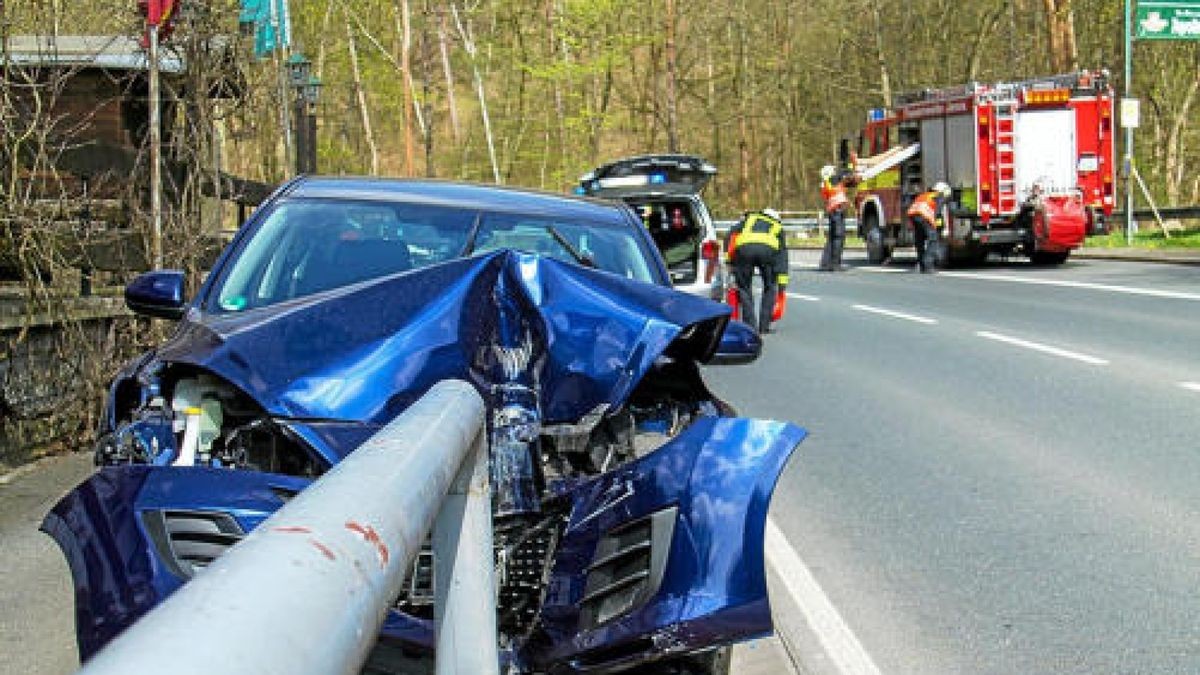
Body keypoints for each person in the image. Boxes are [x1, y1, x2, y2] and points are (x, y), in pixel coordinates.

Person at [726, 208, 788, 334]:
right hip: (767, 252)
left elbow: (731, 235)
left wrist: (730, 260)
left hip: (744, 250)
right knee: (770, 287)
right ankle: (764, 326)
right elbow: (782, 257)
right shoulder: (778, 227)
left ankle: (750, 326)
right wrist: (782, 285)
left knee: (744, 287)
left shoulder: (750, 219)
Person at [906, 181, 952, 273]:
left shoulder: (924, 195)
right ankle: (928, 266)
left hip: (913, 215)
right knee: (933, 240)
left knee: (920, 241)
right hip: (924, 216)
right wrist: (941, 228)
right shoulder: (938, 196)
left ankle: (920, 265)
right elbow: (937, 213)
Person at [818, 165, 851, 271]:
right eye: (833, 171)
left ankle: (826, 264)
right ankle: (835, 264)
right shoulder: (831, 181)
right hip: (837, 211)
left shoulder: (827, 183)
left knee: (832, 238)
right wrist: (849, 167)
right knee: (838, 237)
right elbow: (842, 175)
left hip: (834, 211)